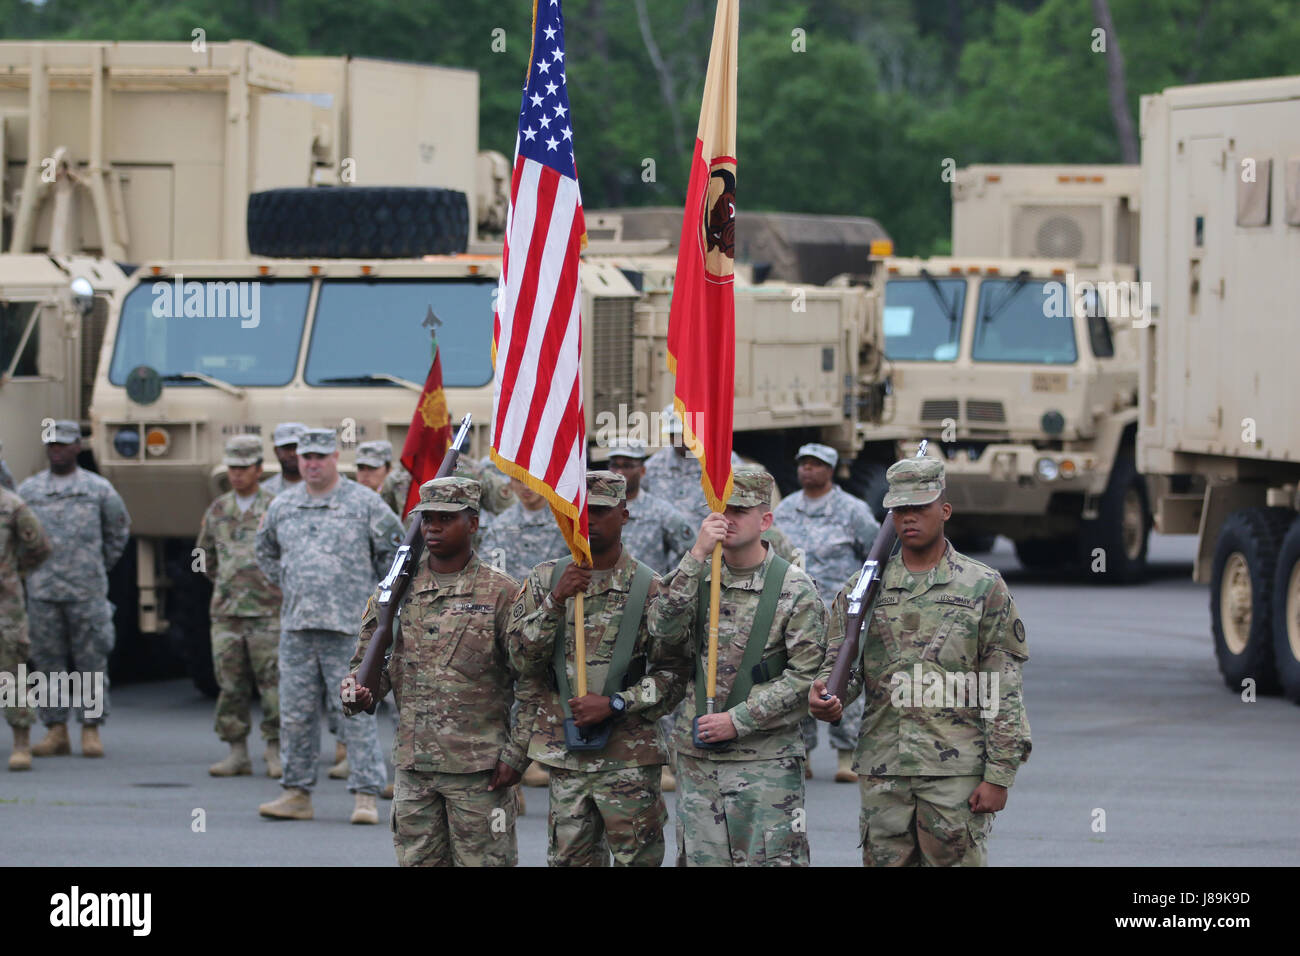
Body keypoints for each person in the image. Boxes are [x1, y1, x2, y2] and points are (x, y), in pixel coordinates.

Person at [809, 456, 1032, 867]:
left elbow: (1002, 687)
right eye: (900, 510)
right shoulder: (863, 588)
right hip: (883, 768)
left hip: (954, 771)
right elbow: (842, 665)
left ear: (944, 510)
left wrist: (999, 775)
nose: (909, 518)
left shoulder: (983, 586)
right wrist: (826, 694)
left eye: (920, 507)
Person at [649, 467, 828, 866]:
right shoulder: (695, 576)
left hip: (765, 761)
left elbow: (807, 677)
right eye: (719, 509)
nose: (726, 519)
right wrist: (695, 556)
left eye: (739, 511)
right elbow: (660, 630)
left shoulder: (795, 588)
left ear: (765, 520)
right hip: (699, 763)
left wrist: (740, 719)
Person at [508, 472, 689, 866]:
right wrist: (556, 600)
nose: (586, 520)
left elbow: (674, 673)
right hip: (565, 757)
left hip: (629, 758)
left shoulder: (650, 588)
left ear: (624, 514)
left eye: (599, 511)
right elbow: (520, 660)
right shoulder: (545, 580)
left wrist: (617, 703)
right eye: (577, 511)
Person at [344, 476, 527, 865]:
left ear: (473, 523)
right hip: (414, 772)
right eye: (427, 519)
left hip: (480, 773)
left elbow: (534, 682)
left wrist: (518, 752)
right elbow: (363, 675)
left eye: (446, 518)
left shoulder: (502, 593)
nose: (434, 527)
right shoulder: (393, 594)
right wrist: (356, 694)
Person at [255, 428, 402, 824]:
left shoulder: (365, 504)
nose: (312, 463)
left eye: (321, 456)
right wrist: (292, 583)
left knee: (354, 710)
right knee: (296, 714)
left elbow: (396, 554)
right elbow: (264, 550)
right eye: (306, 457)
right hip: (298, 629)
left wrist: (375, 602)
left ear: (336, 457)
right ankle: (296, 792)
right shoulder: (282, 506)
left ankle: (366, 795)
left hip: (349, 631)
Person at [20, 420, 130, 758]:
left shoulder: (98, 489)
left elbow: (118, 531)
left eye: (62, 444)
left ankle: (90, 729)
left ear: (77, 447)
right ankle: (55, 730)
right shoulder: (30, 491)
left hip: (87, 591)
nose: (56, 450)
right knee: (47, 662)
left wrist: (95, 566)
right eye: (51, 444)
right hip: (43, 591)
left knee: (90, 662)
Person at [774, 442, 879, 783]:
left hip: (842, 612)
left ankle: (846, 756)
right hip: (799, 612)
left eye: (816, 464)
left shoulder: (852, 510)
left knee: (843, 676)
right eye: (803, 463)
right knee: (799, 677)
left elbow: (875, 554)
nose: (808, 469)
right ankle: (800, 754)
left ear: (830, 470)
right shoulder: (786, 509)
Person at [195, 435, 282, 778]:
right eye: (231, 467)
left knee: (273, 686)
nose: (236, 474)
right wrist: (225, 582)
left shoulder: (275, 507)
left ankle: (274, 750)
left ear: (258, 469)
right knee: (230, 685)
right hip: (227, 612)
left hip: (268, 612)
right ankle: (237, 752)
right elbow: (202, 556)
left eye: (243, 467)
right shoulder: (217, 509)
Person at [0, 484, 52, 770]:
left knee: (11, 673)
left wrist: (14, 572)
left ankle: (21, 743)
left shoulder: (12, 506)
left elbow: (40, 547)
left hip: (5, 606)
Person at [604, 439, 694, 576]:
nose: (619, 472)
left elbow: (694, 552)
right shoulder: (597, 510)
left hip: (647, 594)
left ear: (642, 470)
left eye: (627, 466)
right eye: (614, 465)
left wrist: (674, 584)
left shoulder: (661, 512)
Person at [260, 422, 307, 497]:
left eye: (296, 447)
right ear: (276, 451)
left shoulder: (321, 487)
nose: (292, 453)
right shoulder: (264, 491)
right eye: (287, 448)